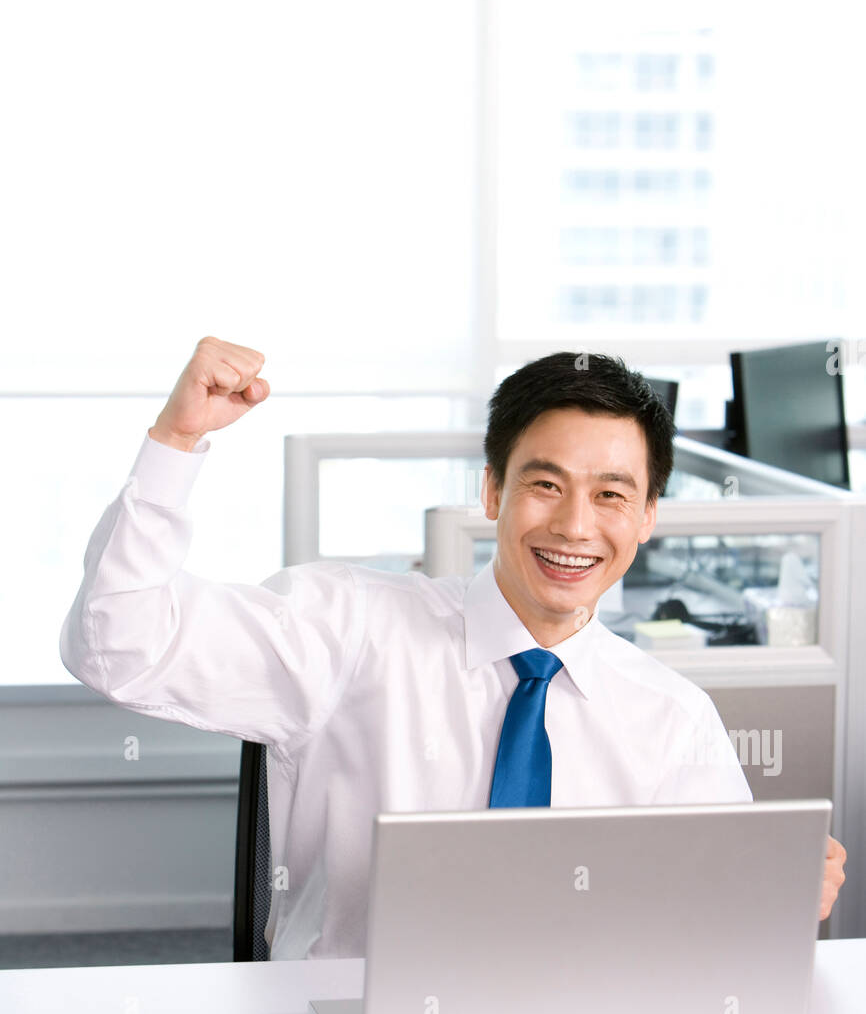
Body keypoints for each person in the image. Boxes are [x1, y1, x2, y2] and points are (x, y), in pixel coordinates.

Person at [59, 337, 846, 957]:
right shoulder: (349, 627)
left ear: (646, 518)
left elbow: (704, 946)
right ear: (493, 492)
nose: (576, 526)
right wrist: (178, 439)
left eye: (611, 495)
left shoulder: (674, 719)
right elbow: (117, 645)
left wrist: (767, 904)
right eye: (546, 486)